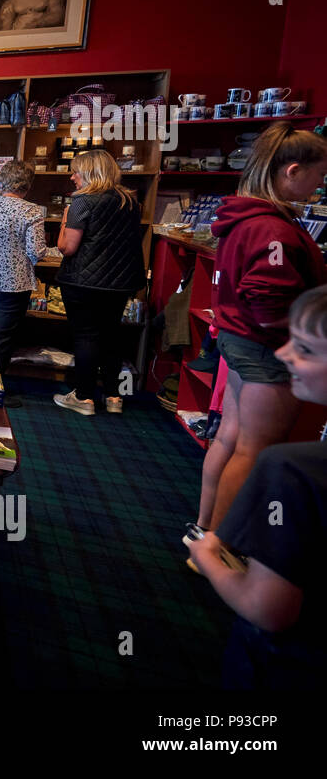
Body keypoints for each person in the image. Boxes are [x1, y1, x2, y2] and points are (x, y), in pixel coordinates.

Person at [188, 284, 327, 687]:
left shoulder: (291, 469)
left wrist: (208, 554)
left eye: (305, 348)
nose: (283, 354)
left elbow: (266, 607)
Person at [197, 123, 327, 530]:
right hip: (261, 345)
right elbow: (268, 297)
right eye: (319, 175)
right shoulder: (270, 227)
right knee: (255, 448)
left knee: (231, 438)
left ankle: (206, 530)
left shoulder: (248, 218)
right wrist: (292, 342)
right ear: (291, 171)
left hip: (238, 339)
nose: (320, 184)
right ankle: (220, 545)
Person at [52, 149, 146, 416]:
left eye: (76, 172)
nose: (72, 177)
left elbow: (67, 247)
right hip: (120, 282)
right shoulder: (128, 202)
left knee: (86, 337)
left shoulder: (82, 201)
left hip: (84, 282)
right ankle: (113, 396)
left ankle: (83, 397)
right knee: (110, 336)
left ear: (90, 173)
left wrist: (64, 220)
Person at [0, 160, 46, 393]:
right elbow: (36, 251)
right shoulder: (31, 211)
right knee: (1, 337)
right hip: (13, 284)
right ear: (28, 185)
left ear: (2, 181)